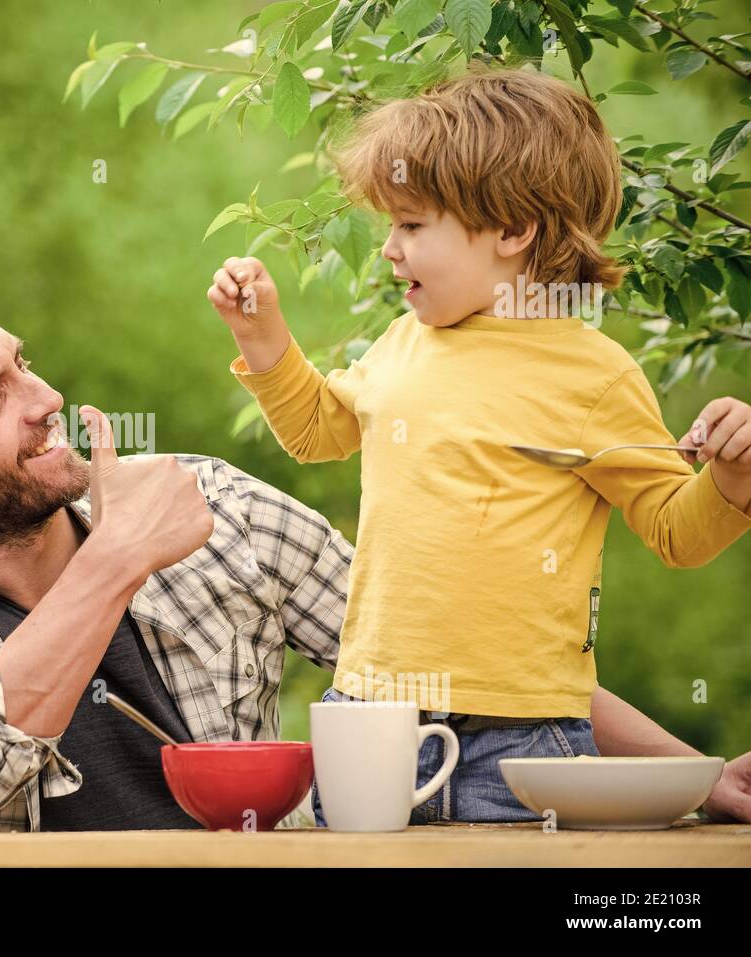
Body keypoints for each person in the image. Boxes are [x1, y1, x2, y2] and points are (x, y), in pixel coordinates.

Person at [0, 263, 751, 832]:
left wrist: (700, 778)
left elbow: (456, 653)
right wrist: (116, 558)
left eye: (21, 365)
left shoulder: (213, 502)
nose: (42, 400)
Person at [207, 67, 751, 825]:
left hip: (524, 744)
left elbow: (677, 531)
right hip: (373, 719)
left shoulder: (593, 374)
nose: (389, 250)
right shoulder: (404, 342)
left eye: (412, 225)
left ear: (512, 230)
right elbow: (316, 430)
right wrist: (262, 337)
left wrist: (733, 474)